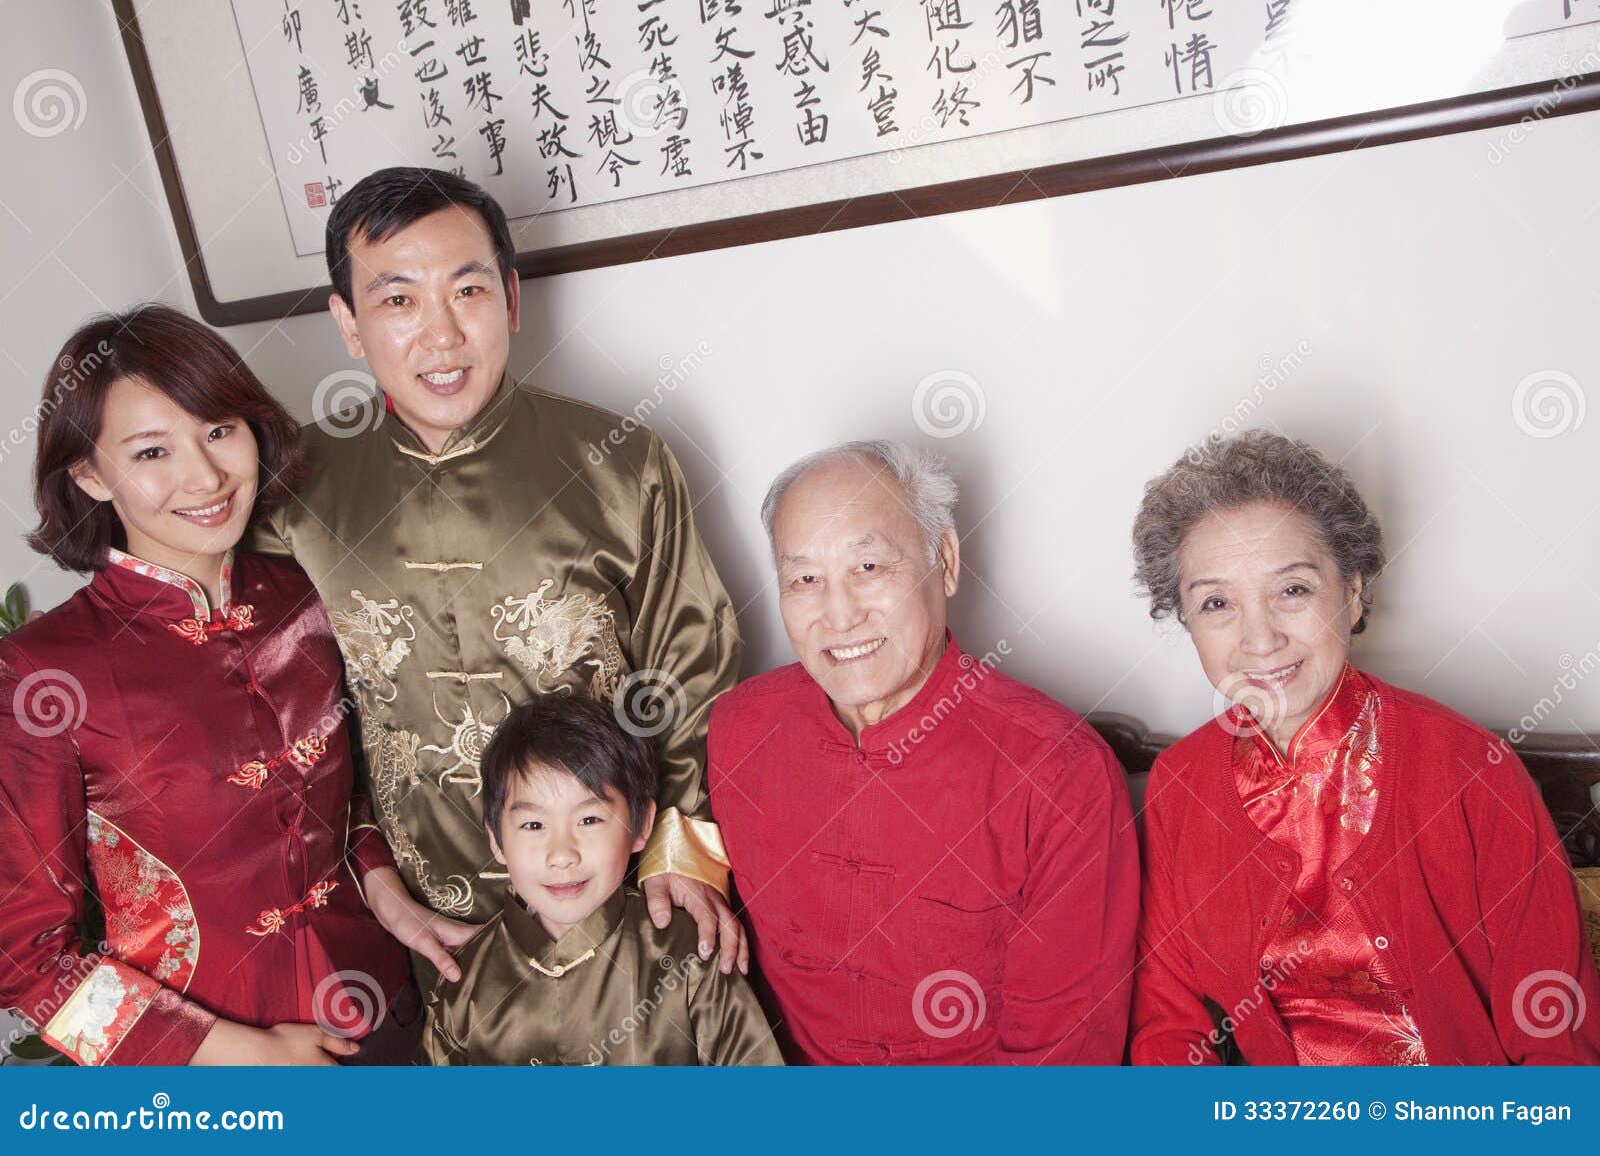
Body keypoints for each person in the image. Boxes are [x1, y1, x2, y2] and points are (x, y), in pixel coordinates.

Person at [250, 167, 745, 983]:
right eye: (398, 299)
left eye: (468, 290)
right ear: (348, 323)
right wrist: (373, 877)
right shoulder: (295, 493)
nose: (441, 335)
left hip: (625, 907)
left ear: (511, 298)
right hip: (417, 931)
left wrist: (678, 852)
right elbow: (284, 723)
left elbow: (693, 668)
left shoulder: (621, 464)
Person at [0, 305, 415, 1065]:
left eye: (219, 430)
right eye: (152, 450)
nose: (205, 476)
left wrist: (385, 887)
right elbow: (23, 958)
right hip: (209, 1072)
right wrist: (238, 1053)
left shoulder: (307, 590)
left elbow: (353, 791)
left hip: (390, 1006)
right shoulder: (41, 671)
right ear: (88, 474)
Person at [1128, 429, 1600, 1065]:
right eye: (1217, 602)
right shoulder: (1180, 783)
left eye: (1293, 590)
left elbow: (1557, 1044)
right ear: (1187, 622)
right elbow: (1167, 1022)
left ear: (1352, 593)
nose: (1260, 639)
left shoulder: (1472, 769)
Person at [708, 440, 1139, 1064]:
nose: (839, 615)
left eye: (868, 567)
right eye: (804, 579)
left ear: (946, 560)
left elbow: (1061, 1065)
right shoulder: (739, 727)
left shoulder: (1060, 773)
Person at [426, 694, 781, 1066]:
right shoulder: (464, 979)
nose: (562, 854)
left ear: (641, 826)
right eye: (533, 825)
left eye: (589, 820)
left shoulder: (691, 956)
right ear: (496, 840)